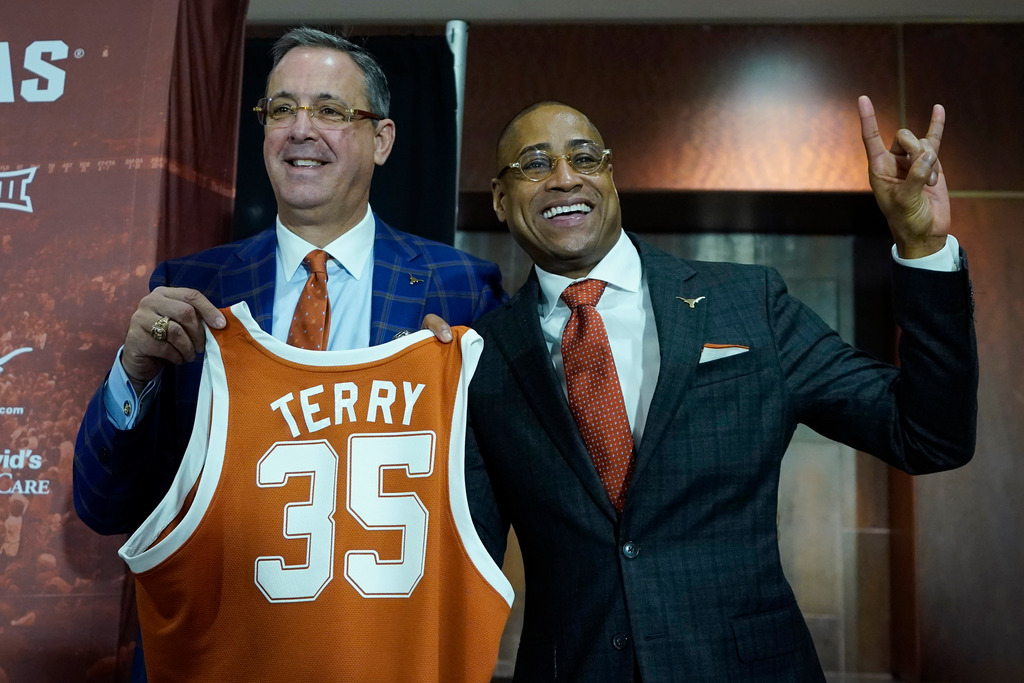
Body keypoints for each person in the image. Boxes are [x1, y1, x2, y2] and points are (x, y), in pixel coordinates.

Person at [465, 99, 977, 682]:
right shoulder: (480, 357)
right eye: (535, 164)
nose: (565, 177)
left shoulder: (748, 303)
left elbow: (928, 436)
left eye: (586, 157)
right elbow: (460, 559)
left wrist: (923, 250)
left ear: (610, 177)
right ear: (502, 201)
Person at [72, 27, 504, 681]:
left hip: (385, 660)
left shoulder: (464, 290)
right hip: (215, 659)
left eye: (330, 109)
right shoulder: (191, 291)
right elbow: (102, 502)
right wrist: (132, 373)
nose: (301, 129)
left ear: (381, 139)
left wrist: (463, 393)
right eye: (281, 109)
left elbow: (503, 503)